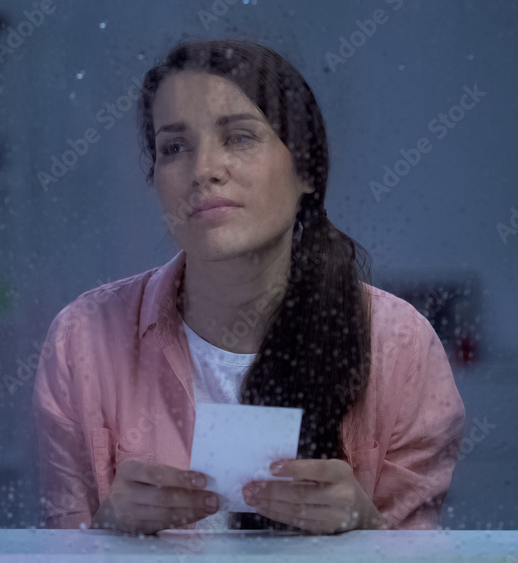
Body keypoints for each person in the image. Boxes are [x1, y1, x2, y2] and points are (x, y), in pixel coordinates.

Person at [32, 39, 465, 535]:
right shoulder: (81, 340)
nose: (204, 170)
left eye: (239, 137)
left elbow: (419, 548)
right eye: (175, 148)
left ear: (306, 169)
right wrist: (105, 531)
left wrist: (367, 529)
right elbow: (58, 541)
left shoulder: (401, 346)